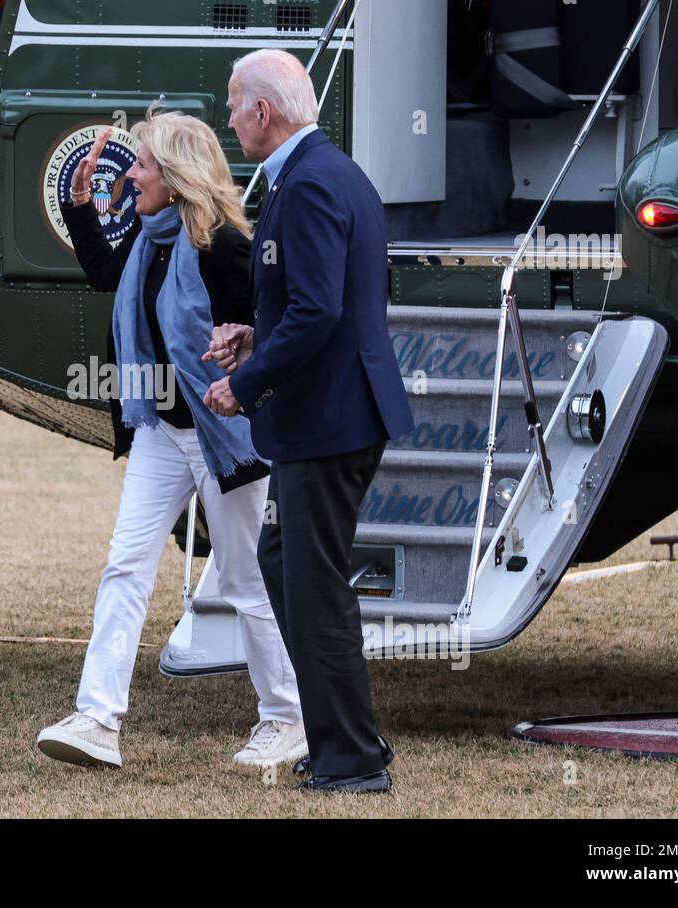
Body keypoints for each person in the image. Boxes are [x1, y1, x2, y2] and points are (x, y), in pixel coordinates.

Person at [35, 111, 304, 770]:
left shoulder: (224, 248)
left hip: (225, 436)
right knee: (125, 565)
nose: (132, 174)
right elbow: (104, 273)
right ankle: (98, 719)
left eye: (145, 165)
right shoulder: (152, 239)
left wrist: (242, 360)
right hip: (161, 431)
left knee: (245, 583)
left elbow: (278, 325)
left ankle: (289, 716)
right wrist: (78, 208)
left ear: (178, 176)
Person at [204, 49, 415, 793]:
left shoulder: (311, 182)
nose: (229, 118)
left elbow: (321, 310)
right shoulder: (322, 172)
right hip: (328, 409)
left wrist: (246, 381)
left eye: (234, 105)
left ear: (264, 111)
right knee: (285, 566)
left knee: (314, 583)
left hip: (329, 418)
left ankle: (351, 760)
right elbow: (325, 304)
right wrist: (255, 337)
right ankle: (344, 737)